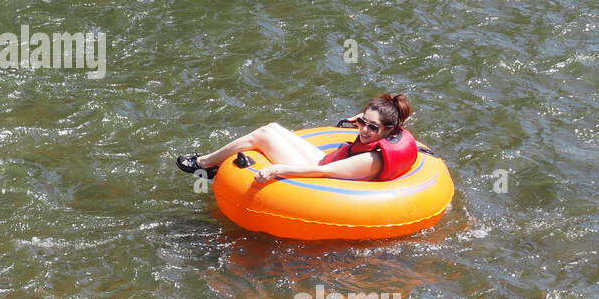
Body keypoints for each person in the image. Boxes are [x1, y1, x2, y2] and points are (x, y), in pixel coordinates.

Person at [175, 93, 421, 184]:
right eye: (362, 122)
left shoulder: (371, 158)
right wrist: (366, 120)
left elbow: (323, 173)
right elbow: (396, 123)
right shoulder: (390, 131)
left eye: (373, 128)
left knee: (263, 135)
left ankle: (204, 164)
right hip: (328, 161)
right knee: (272, 126)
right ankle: (208, 164)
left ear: (389, 130)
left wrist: (276, 170)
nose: (364, 131)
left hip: (323, 174)